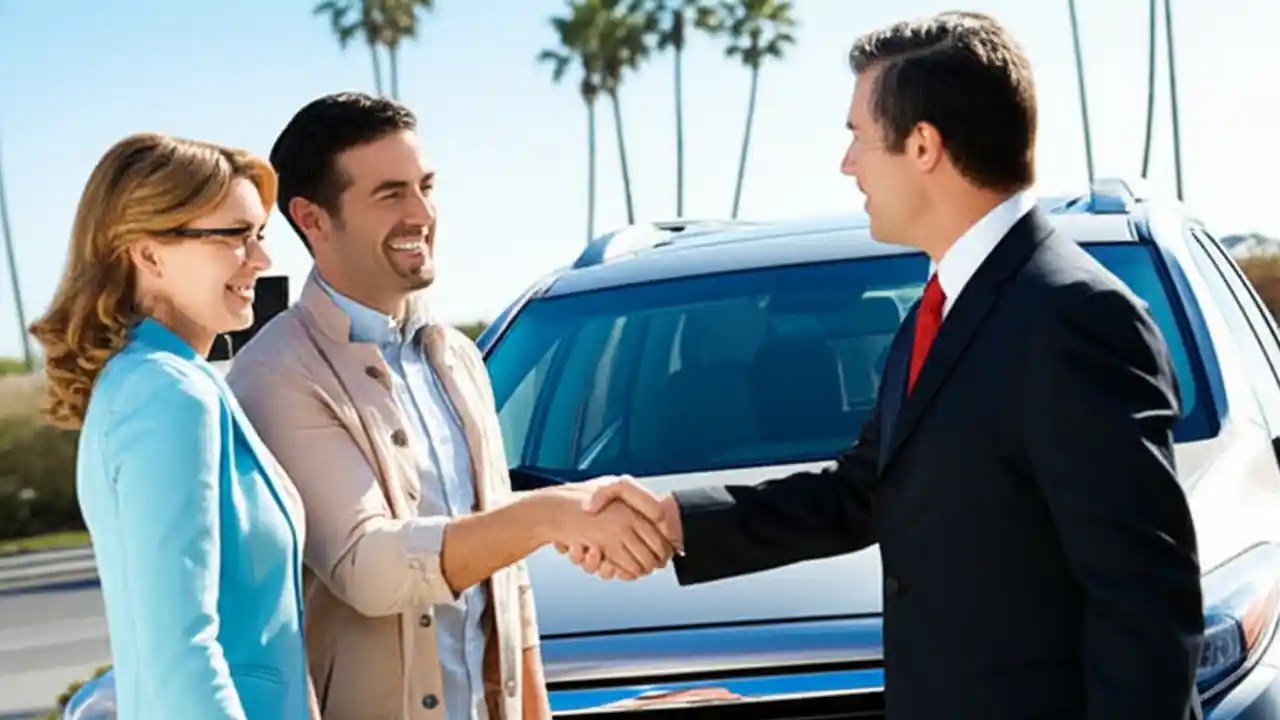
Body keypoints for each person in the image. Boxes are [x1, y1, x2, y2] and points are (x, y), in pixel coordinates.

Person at [571, 11, 1205, 719]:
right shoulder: (937, 312)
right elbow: (864, 491)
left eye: (858, 138)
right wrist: (672, 519)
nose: (849, 164)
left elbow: (1145, 602)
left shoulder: (1074, 317)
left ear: (924, 145)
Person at [225, 92, 670, 720]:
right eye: (390, 194)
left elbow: (509, 591)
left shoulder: (455, 357)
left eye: (425, 186)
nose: (421, 214)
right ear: (313, 219)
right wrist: (546, 515)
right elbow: (369, 568)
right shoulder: (274, 375)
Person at [28, 133, 317, 719]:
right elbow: (178, 652)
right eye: (234, 237)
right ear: (149, 254)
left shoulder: (161, 381)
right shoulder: (168, 392)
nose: (261, 260)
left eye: (259, 235)